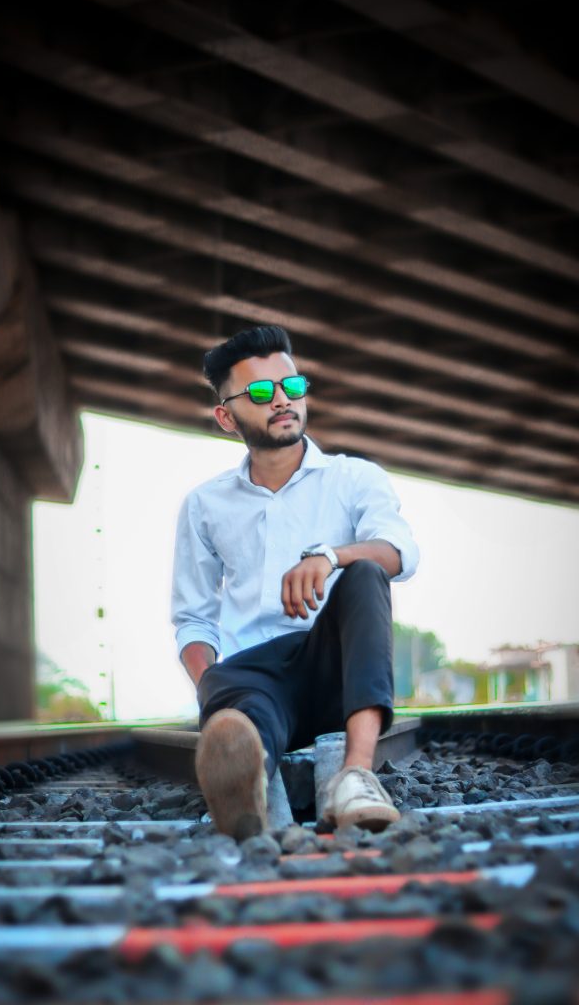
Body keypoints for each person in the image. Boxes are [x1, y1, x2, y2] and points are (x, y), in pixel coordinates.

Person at [171, 326, 419, 840]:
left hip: (330, 666)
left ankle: (356, 777)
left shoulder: (354, 478)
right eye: (260, 393)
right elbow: (193, 619)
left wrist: (331, 556)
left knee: (366, 573)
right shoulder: (204, 504)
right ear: (226, 416)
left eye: (292, 385)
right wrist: (210, 687)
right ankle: (246, 776)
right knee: (238, 708)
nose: (282, 400)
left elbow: (398, 552)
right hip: (252, 677)